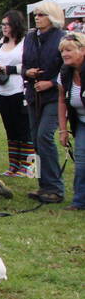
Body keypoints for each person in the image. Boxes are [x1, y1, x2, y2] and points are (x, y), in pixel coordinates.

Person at [22, 0, 66, 203]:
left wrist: (51, 82)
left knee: (44, 136)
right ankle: (43, 185)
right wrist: (27, 72)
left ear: (52, 17)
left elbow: (67, 66)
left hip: (54, 97)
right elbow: (24, 64)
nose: (37, 18)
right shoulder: (30, 37)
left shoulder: (62, 38)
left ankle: (55, 187)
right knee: (35, 139)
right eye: (36, 15)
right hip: (33, 94)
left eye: (42, 15)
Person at [0, 10, 32, 176]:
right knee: (10, 129)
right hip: (3, 91)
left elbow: (30, 67)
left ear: (15, 24)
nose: (4, 28)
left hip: (19, 90)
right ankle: (13, 165)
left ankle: (29, 167)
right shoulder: (2, 43)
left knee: (24, 129)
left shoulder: (25, 43)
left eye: (7, 24)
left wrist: (9, 69)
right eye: (2, 25)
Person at [56, 31, 85, 210]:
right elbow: (61, 101)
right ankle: (79, 201)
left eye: (69, 50)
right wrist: (63, 129)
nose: (64, 54)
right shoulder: (65, 73)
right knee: (81, 160)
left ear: (82, 50)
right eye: (62, 51)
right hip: (81, 121)